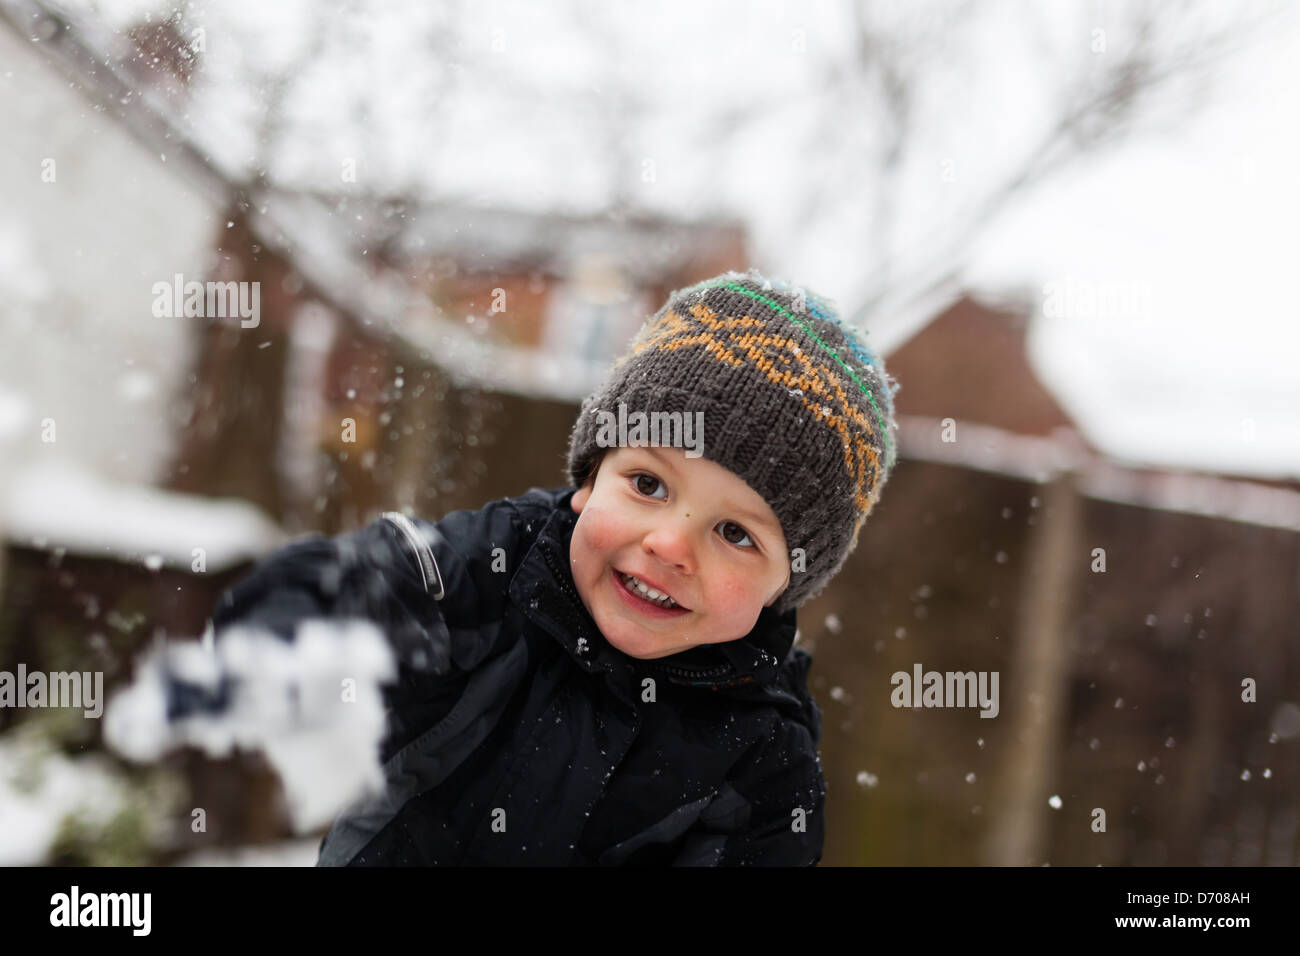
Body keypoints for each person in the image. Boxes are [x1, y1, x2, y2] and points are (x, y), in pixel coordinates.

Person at [202, 268, 900, 865]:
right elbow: (390, 578)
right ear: (589, 481)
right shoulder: (496, 569)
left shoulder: (764, 765)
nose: (669, 545)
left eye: (735, 533)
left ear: (788, 585)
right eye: (649, 486)